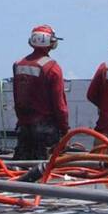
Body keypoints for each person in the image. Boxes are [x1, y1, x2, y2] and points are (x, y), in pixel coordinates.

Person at [12, 25, 69, 160]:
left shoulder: (18, 65)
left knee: (21, 170)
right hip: (46, 130)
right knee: (45, 171)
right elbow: (59, 104)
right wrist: (65, 129)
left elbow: (17, 97)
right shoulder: (52, 68)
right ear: (51, 42)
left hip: (24, 127)